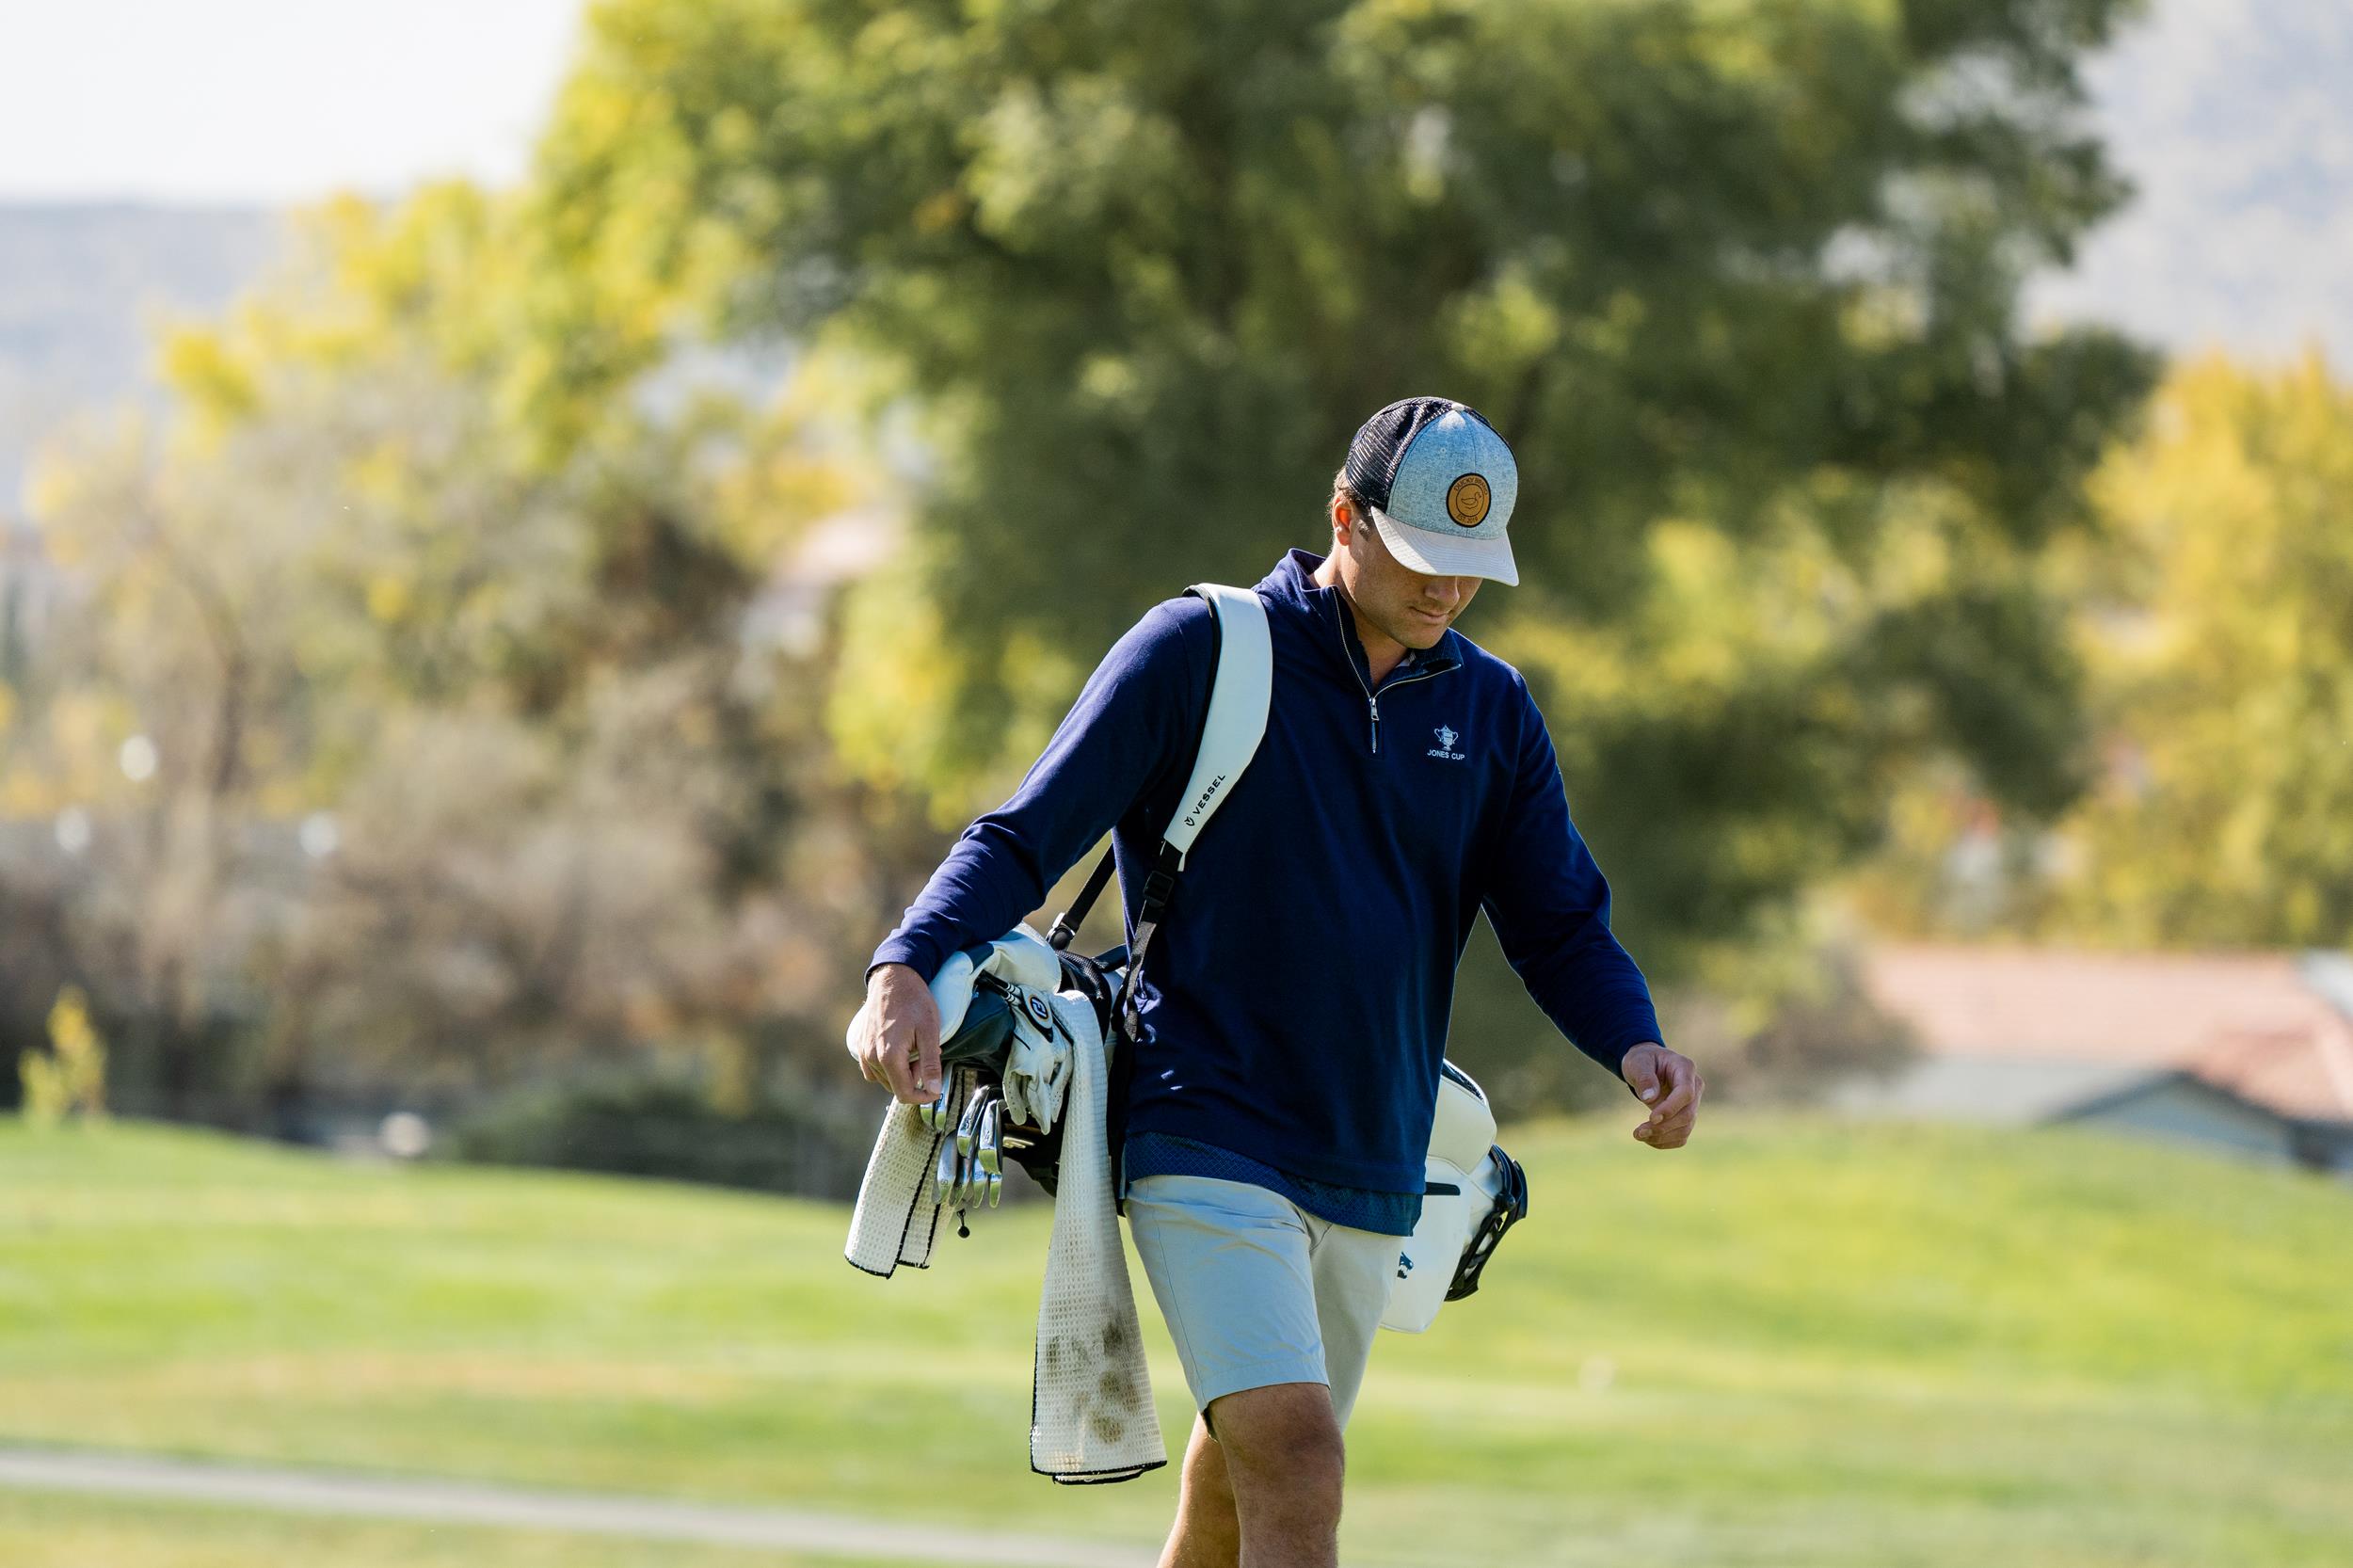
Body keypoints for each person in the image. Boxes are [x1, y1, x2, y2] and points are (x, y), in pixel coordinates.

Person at [851, 396, 1703, 1568]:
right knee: (1299, 1459)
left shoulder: (1492, 710)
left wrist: (1633, 1040)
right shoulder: (1198, 649)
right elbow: (1025, 834)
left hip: (1371, 1153)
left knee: (1238, 1494)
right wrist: (906, 960)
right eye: (1418, 561)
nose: (1445, 593)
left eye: (1469, 571)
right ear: (1344, 517)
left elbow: (1557, 924)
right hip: (1203, 1125)